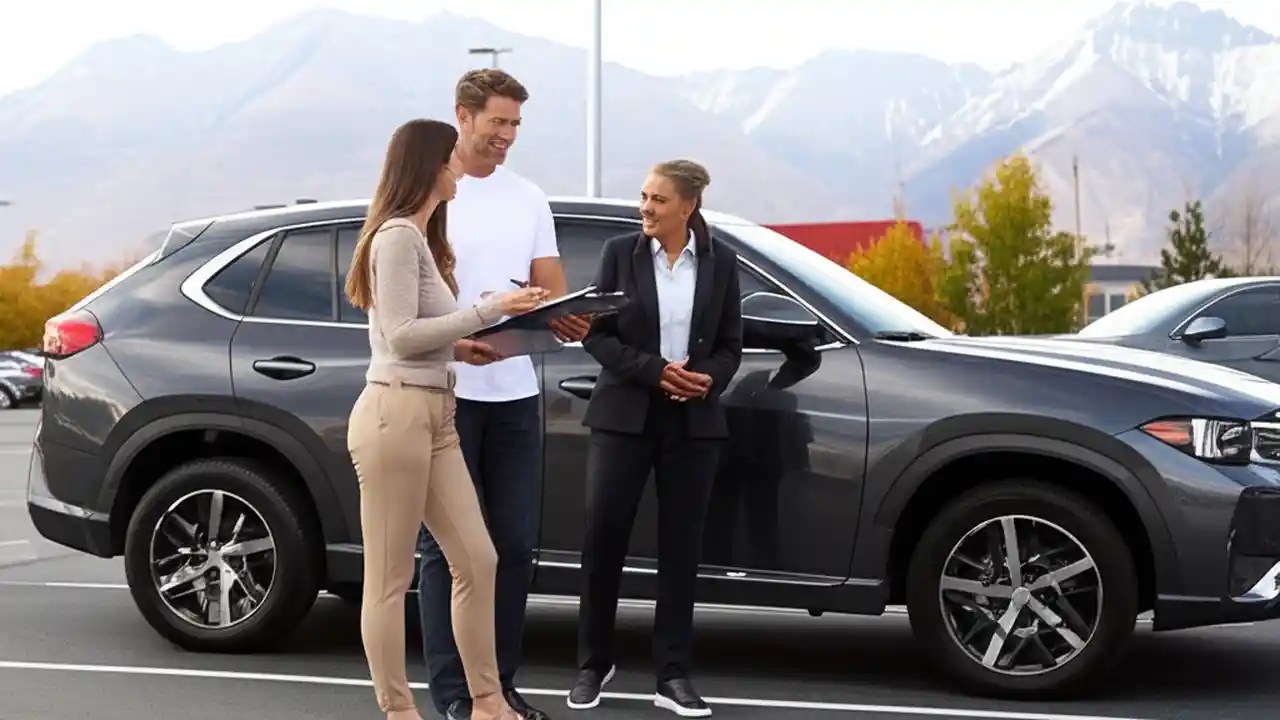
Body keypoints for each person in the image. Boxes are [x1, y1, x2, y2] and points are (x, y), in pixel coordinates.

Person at [345, 118, 549, 720]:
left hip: (436, 413)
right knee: (390, 578)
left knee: (478, 559)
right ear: (429, 165)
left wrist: (460, 347)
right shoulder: (395, 237)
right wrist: (489, 310)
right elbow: (400, 335)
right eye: (451, 157)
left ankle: (487, 701)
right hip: (396, 413)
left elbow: (416, 334)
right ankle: (398, 709)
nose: (459, 166)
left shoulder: (419, 238)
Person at [417, 68, 589, 720]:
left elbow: (550, 288)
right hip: (448, 393)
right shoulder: (432, 192)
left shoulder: (528, 198)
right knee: (448, 550)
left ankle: (499, 691)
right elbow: (403, 300)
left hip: (515, 395)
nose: (508, 135)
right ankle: (454, 696)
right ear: (463, 115)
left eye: (515, 124)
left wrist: (567, 317)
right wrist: (466, 328)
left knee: (513, 549)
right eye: (498, 122)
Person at [566, 159, 743, 717]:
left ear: (687, 206)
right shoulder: (619, 254)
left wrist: (707, 378)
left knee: (681, 549)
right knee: (603, 538)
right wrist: (654, 371)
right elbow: (596, 335)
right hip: (623, 416)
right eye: (643, 197)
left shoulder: (721, 262)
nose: (645, 207)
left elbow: (731, 345)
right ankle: (593, 664)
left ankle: (672, 674)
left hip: (693, 422)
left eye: (658, 200)